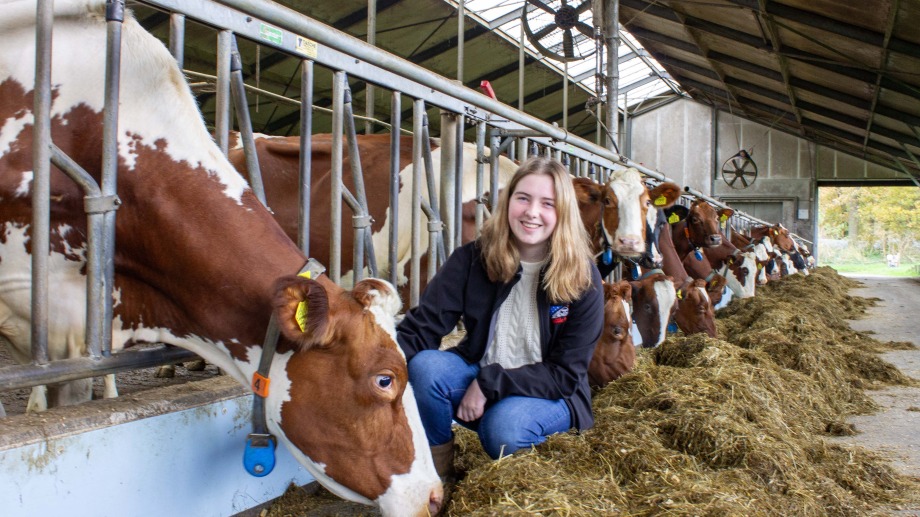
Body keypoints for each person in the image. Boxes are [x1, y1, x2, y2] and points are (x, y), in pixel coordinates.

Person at [396, 157, 605, 478]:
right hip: (478, 372)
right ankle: (438, 471)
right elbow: (422, 327)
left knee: (504, 429)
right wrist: (377, 369)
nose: (532, 212)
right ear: (507, 202)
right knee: (426, 367)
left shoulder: (583, 278)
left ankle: (543, 468)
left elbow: (565, 374)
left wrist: (489, 383)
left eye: (547, 203)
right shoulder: (473, 259)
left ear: (563, 212)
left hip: (552, 395)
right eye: (523, 198)